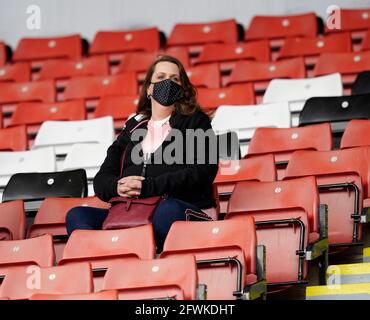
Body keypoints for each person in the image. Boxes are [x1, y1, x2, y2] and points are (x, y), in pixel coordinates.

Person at [65, 55, 219, 252]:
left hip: (178, 208)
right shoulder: (132, 128)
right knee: (77, 216)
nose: (167, 83)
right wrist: (117, 187)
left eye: (174, 79)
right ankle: (111, 263)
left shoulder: (196, 122)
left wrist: (148, 186)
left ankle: (163, 265)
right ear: (149, 89)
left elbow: (203, 172)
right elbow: (102, 178)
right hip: (132, 211)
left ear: (183, 89)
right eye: (161, 77)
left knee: (167, 211)